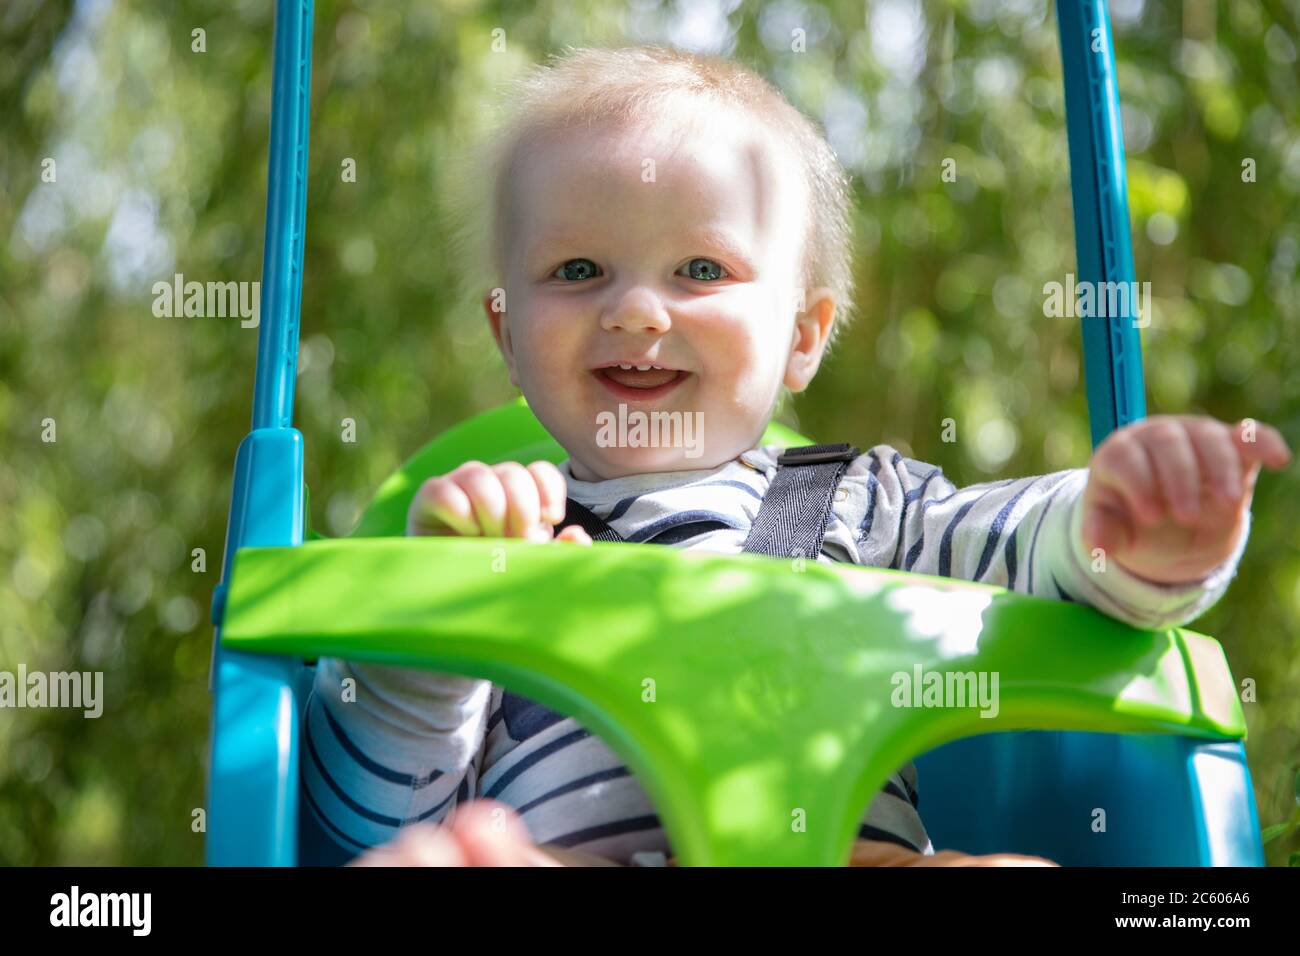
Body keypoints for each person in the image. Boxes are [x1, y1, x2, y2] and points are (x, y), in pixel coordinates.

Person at [302, 45, 1291, 868]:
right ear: (506, 331)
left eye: (701, 269)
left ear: (804, 335)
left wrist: (1128, 529)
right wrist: (428, 623)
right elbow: (360, 814)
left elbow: (1033, 559)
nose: (636, 308)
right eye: (576, 270)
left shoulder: (867, 504)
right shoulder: (488, 538)